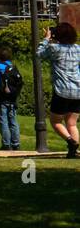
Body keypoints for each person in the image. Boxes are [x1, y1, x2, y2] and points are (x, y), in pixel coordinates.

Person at [37, 22, 80, 158]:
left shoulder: (54, 48)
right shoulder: (78, 49)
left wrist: (46, 39)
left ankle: (71, 142)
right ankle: (74, 152)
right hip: (78, 90)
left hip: (61, 90)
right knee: (72, 123)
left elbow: (39, 54)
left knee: (55, 121)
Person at [0, 46, 22, 151]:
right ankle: (16, 143)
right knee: (13, 120)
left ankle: (6, 144)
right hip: (12, 99)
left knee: (3, 121)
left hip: (1, 98)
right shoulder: (13, 67)